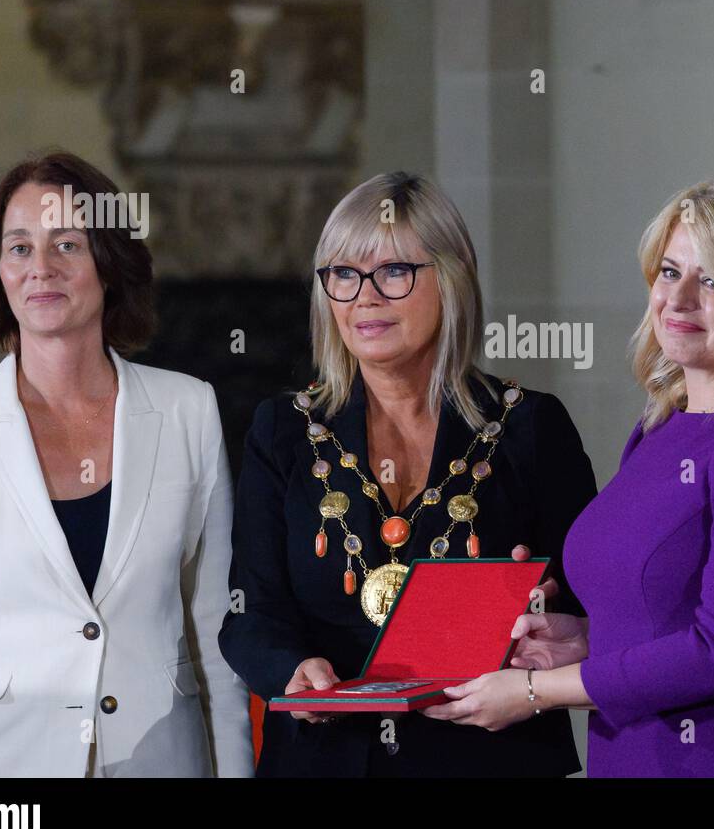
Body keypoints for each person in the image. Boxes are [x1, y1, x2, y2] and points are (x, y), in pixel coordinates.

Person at [425, 180, 714, 777]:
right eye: (669, 272)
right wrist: (582, 640)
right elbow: (663, 616)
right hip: (630, 756)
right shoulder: (660, 427)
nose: (678, 300)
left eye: (713, 280)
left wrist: (535, 692)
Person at [218, 171, 596, 777]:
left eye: (394, 272)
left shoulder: (531, 427)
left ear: (451, 280)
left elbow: (594, 606)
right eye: (343, 274)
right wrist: (290, 668)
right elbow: (249, 612)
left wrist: (554, 626)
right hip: (325, 763)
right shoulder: (282, 430)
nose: (365, 297)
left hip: (489, 760)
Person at [0, 151, 253, 777]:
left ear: (109, 264)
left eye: (67, 244)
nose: (42, 269)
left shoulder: (188, 409)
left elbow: (218, 629)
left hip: (157, 759)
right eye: (20, 248)